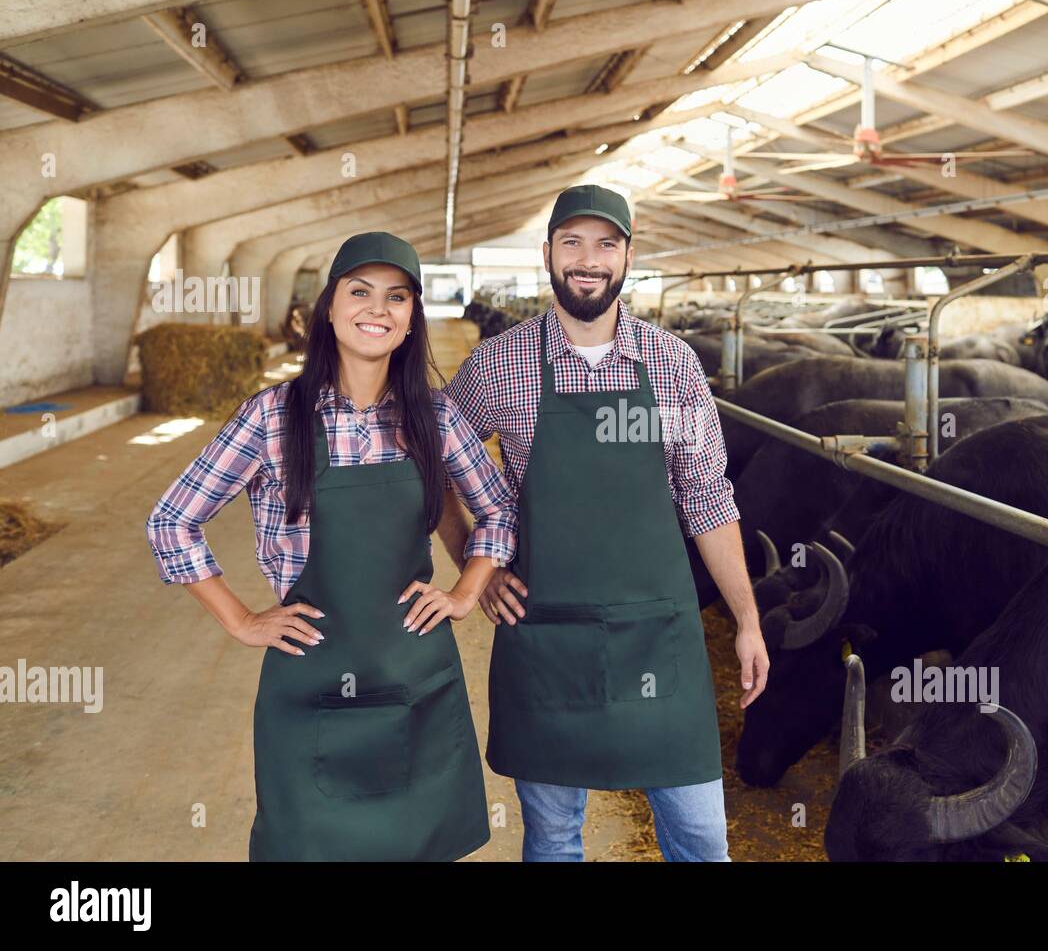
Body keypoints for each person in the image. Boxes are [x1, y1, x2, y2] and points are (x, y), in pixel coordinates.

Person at [145, 232, 517, 861]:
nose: (379, 308)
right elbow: (171, 521)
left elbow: (498, 509)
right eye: (360, 291)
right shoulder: (272, 417)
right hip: (311, 679)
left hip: (414, 678)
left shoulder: (434, 416)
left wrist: (464, 592)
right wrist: (238, 620)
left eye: (397, 297)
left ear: (410, 320)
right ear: (330, 308)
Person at [443, 185, 770, 862]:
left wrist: (747, 619)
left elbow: (708, 498)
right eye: (573, 243)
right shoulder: (498, 365)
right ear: (548, 254)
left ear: (626, 257)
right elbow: (436, 467)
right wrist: (476, 569)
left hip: (659, 638)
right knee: (556, 839)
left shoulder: (674, 364)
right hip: (546, 639)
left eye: (606, 244)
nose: (588, 260)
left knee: (703, 839)